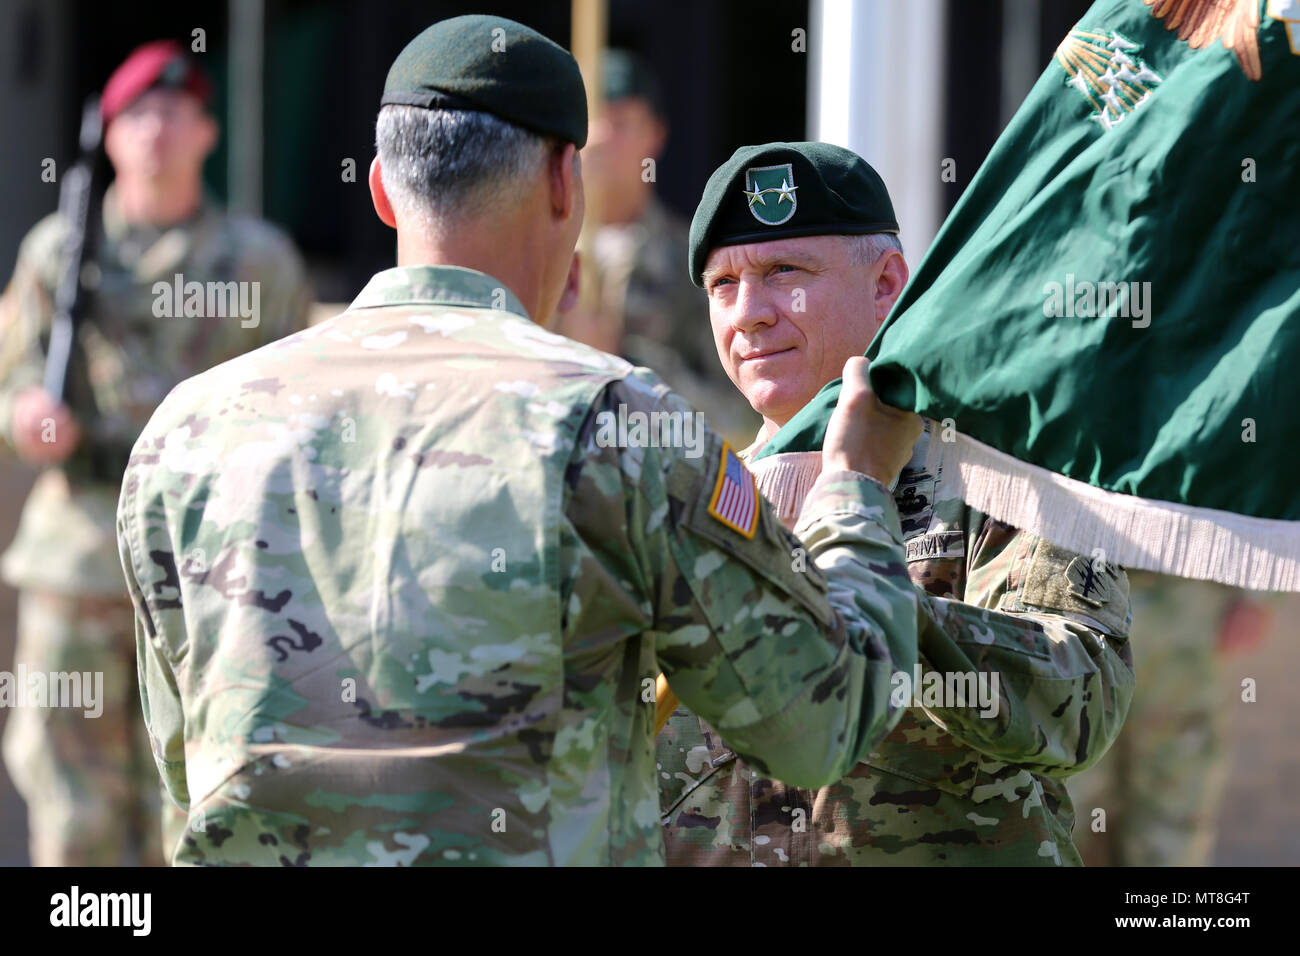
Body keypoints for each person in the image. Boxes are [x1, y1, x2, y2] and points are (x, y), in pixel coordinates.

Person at [114, 15, 933, 867]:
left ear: (386, 190)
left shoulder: (188, 429)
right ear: (561, 184)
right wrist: (859, 487)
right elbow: (821, 724)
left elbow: (189, 765)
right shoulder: (617, 424)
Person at [656, 141, 1136, 866]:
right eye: (723, 284)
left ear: (887, 284)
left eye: (785, 272)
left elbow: (1077, 700)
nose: (749, 313)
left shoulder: (999, 472)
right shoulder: (694, 496)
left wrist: (860, 596)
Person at [0, 39, 311, 866]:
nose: (155, 132)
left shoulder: (259, 261)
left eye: (175, 113)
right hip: (78, 556)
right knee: (71, 801)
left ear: (209, 133)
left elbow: (299, 406)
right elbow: (12, 379)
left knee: (202, 792)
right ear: (108, 133)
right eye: (136, 114)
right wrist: (27, 415)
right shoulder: (57, 253)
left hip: (209, 566)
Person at [553, 49, 758, 444]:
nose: (600, 139)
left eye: (621, 122)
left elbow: (745, 415)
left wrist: (624, 363)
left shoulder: (698, 263)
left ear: (656, 134)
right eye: (589, 122)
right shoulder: (539, 259)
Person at [1068, 573, 1276, 866]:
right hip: (1076, 600)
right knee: (1067, 798)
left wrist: (1261, 593)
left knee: (1171, 797)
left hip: (1184, 609)